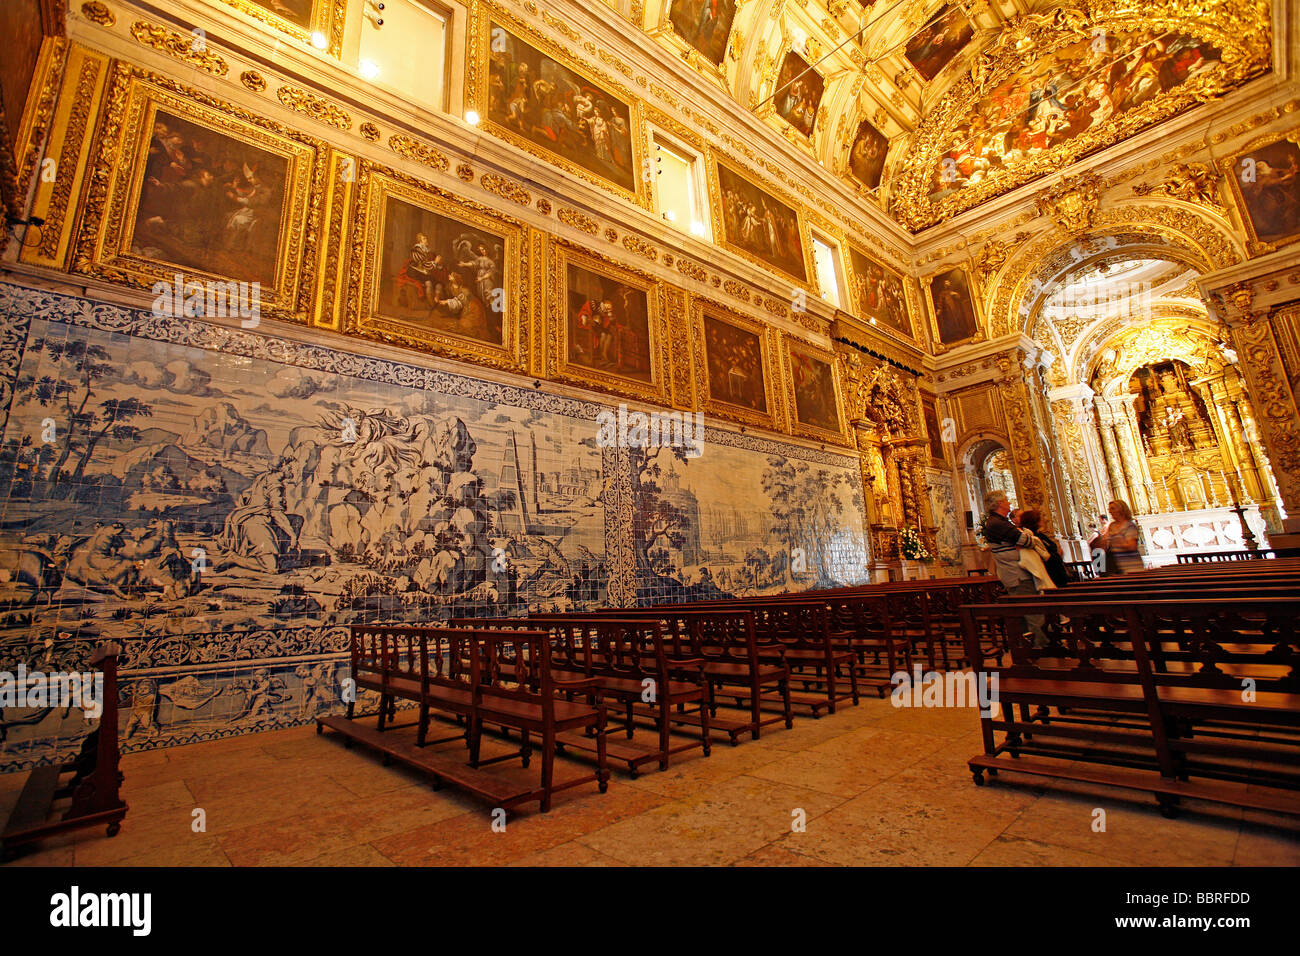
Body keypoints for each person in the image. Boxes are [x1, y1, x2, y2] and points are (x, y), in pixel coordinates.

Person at [983, 489, 1047, 646]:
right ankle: (1041, 648)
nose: (1009, 502)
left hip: (1017, 573)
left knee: (1026, 613)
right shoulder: (997, 524)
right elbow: (1026, 541)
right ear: (999, 503)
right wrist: (1031, 540)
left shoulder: (1000, 522)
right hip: (1017, 575)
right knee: (1033, 613)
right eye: (1006, 500)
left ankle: (1029, 648)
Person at [1020, 510, 1070, 588]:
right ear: (1035, 521)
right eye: (1043, 517)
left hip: (1058, 574)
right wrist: (1055, 555)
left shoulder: (1041, 535)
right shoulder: (1033, 537)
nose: (1046, 520)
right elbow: (1044, 556)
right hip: (1050, 574)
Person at [1098, 499, 1143, 574]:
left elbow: (1132, 546)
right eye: (1109, 509)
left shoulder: (1129, 525)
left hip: (1130, 565)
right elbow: (1106, 543)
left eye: (1113, 508)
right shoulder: (1112, 525)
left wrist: (1114, 541)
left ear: (1121, 509)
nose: (1110, 511)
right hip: (1115, 564)